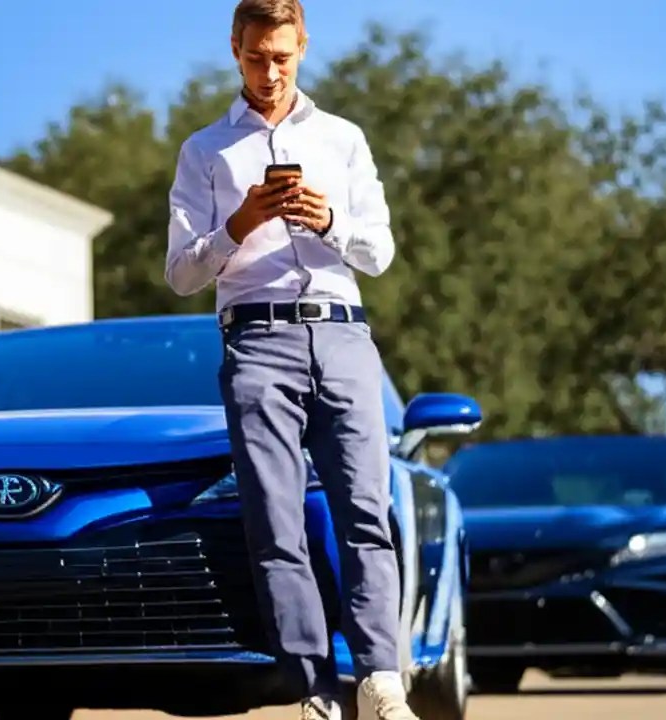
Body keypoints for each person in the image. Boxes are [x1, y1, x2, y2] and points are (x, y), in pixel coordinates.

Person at [163, 2, 413, 719]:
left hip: (342, 336)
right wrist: (240, 223)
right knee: (275, 523)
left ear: (302, 47)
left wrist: (326, 218)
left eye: (282, 57)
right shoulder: (205, 151)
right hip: (256, 341)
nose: (269, 73)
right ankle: (313, 691)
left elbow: (381, 251)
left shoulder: (343, 139)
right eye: (254, 58)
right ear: (234, 51)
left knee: (366, 513)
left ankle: (379, 682)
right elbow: (181, 272)